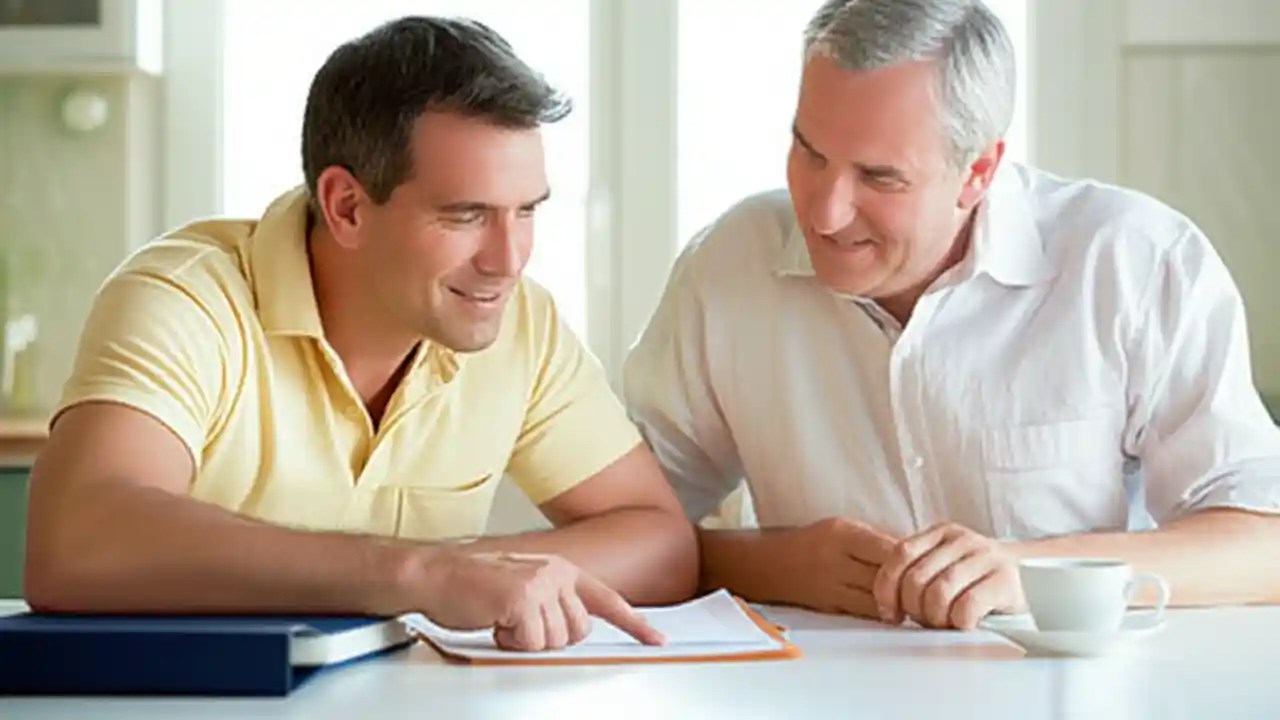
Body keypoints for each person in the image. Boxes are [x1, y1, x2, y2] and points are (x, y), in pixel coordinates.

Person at [25, 16, 697, 652]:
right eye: (467, 216)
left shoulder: (522, 325)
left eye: (525, 212)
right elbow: (73, 540)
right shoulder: (188, 298)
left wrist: (472, 569)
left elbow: (663, 544)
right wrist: (419, 575)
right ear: (347, 207)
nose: (509, 259)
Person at [623, 0, 1280, 631]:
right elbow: (618, 529)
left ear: (979, 171)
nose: (824, 213)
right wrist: (775, 564)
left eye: (879, 178)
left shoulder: (1136, 262)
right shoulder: (729, 267)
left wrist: (1027, 573)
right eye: (809, 152)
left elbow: (1263, 546)